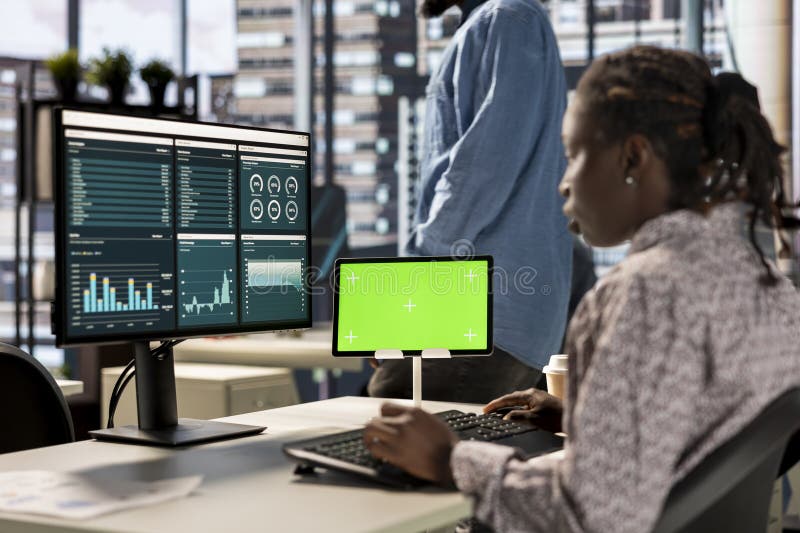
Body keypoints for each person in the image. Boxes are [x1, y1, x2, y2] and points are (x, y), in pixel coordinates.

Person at [363, 45, 800, 532]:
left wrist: (450, 459)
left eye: (572, 157)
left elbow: (587, 515)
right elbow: (707, 448)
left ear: (632, 157)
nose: (563, 183)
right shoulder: (770, 288)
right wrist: (587, 419)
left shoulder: (642, 294)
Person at [367, 0, 573, 404]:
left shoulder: (506, 19)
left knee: (389, 423)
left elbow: (483, 166)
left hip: (475, 310)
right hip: (490, 312)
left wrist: (403, 299)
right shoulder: (502, 22)